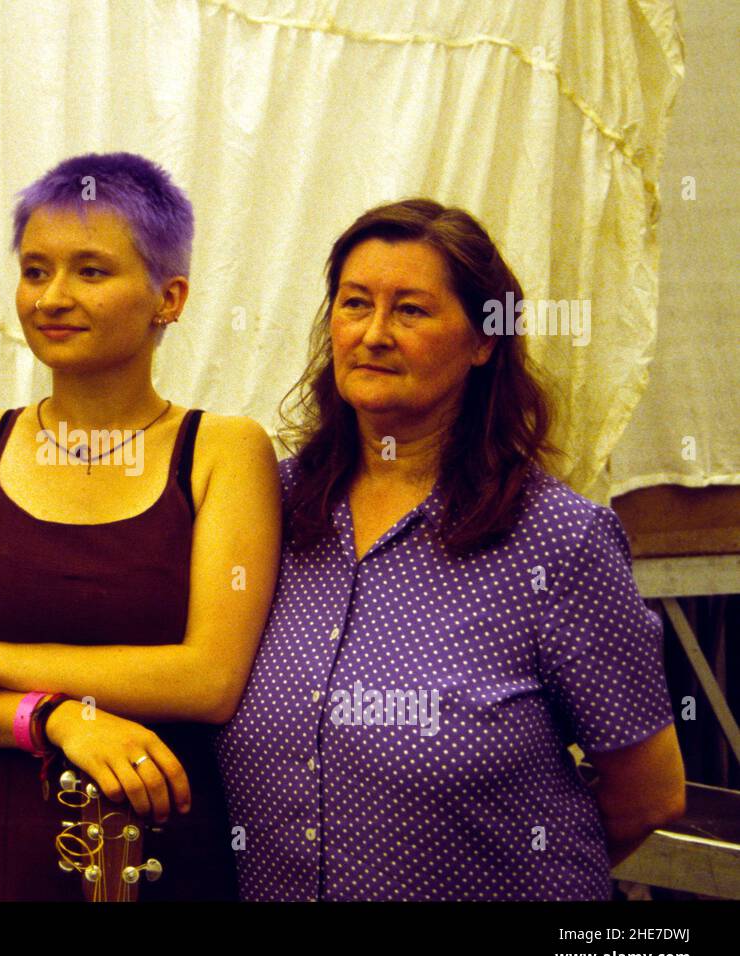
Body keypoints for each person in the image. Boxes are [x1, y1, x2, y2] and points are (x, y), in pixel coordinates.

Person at [218, 198, 686, 900]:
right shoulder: (267, 509)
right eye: (354, 305)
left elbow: (650, 796)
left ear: (483, 341)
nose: (374, 334)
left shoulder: (557, 542)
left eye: (411, 310)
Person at [0, 152, 280, 900]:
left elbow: (208, 679)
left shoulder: (224, 451)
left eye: (91, 272)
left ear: (169, 297)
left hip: (167, 848)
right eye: (35, 271)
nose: (52, 297)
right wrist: (59, 719)